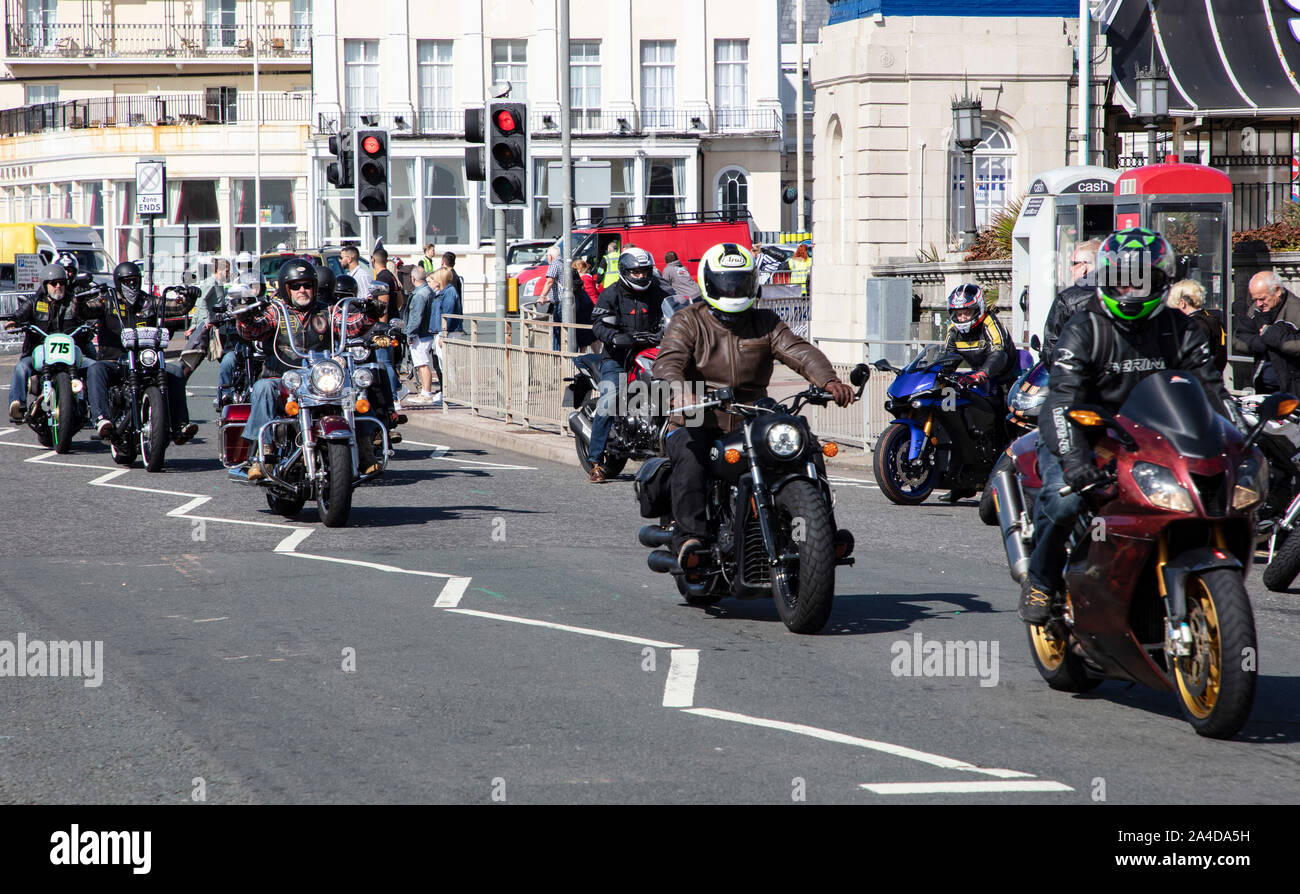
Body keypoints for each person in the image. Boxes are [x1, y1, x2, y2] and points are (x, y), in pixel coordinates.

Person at [1020, 227, 1237, 625]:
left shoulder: (1181, 328)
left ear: (1162, 281)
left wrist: (1238, 444)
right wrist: (1074, 460)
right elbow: (1063, 397)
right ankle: (1041, 578)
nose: (1131, 291)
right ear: (1105, 279)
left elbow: (1211, 391)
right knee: (1066, 500)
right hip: (1086, 432)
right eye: (1122, 280)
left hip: (1152, 440)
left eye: (1143, 281)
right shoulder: (1084, 328)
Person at [653, 243, 854, 567]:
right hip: (700, 414)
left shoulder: (764, 321)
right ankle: (691, 539)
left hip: (754, 411)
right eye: (725, 282)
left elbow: (798, 351)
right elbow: (668, 362)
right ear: (709, 281)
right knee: (690, 458)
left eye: (739, 281)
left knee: (804, 443)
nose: (732, 289)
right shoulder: (688, 321)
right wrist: (679, 392)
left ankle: (823, 534)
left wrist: (828, 380)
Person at [236, 258, 383, 480]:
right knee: (263, 388)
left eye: (307, 285)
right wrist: (244, 317)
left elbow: (352, 325)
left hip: (318, 378)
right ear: (287, 289)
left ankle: (365, 451)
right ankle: (262, 455)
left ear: (315, 287)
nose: (302, 290)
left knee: (355, 384)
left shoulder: (328, 311)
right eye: (296, 286)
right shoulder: (276, 310)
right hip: (283, 376)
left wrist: (370, 313)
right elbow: (256, 329)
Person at [82, 261, 197, 443]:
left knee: (175, 371)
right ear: (119, 283)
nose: (132, 285)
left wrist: (191, 297)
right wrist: (79, 299)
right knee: (96, 369)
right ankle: (101, 419)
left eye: (135, 281)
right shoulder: (107, 301)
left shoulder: (149, 301)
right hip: (115, 361)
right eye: (127, 281)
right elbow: (84, 310)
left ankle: (180, 424)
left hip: (146, 361)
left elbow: (178, 307)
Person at [584, 247, 673, 483]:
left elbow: (680, 310)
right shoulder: (611, 293)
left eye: (645, 271)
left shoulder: (660, 290)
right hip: (617, 357)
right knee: (610, 399)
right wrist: (613, 337)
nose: (641, 276)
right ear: (625, 272)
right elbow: (598, 323)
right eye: (636, 272)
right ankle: (595, 462)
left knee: (681, 390)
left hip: (652, 350)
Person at [5, 264, 96, 422]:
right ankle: (18, 405)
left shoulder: (73, 302)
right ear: (45, 285)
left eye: (61, 282)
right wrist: (14, 321)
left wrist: (91, 323)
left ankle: (98, 411)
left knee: (96, 367)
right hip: (39, 351)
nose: (58, 286)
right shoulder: (35, 301)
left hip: (70, 352)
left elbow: (85, 314)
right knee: (22, 367)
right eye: (53, 283)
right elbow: (21, 313)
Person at [1235, 270, 1300, 393]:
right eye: (1255, 299)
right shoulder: (1256, 309)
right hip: (1262, 385)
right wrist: (1260, 342)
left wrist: (1274, 338)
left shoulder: (1296, 310)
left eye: (1262, 299)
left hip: (1292, 388)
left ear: (1277, 291)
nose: (1258, 304)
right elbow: (1238, 339)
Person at [1041, 239, 1100, 367]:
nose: (1070, 268)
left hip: (1080, 380)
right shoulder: (1123, 294)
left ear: (1084, 266)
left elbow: (1051, 350)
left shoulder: (1067, 299)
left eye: (1074, 263)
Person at [1168, 279, 1228, 375]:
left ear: (1182, 303)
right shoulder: (1213, 320)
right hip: (1214, 376)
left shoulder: (1192, 326)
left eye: (1174, 306)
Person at [539, 245, 566, 352]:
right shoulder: (564, 262)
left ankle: (557, 355)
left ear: (550, 256)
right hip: (568, 301)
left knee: (557, 330)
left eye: (547, 256)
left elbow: (549, 282)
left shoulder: (554, 264)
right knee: (568, 329)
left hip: (560, 303)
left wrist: (542, 296)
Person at [661, 250, 701, 320]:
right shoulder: (683, 267)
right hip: (698, 293)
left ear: (666, 260)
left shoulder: (668, 270)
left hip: (689, 298)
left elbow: (665, 286)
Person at [441, 251, 465, 334]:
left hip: (451, 322)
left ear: (443, 262)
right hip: (453, 319)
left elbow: (450, 303)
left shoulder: (451, 278)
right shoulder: (454, 276)